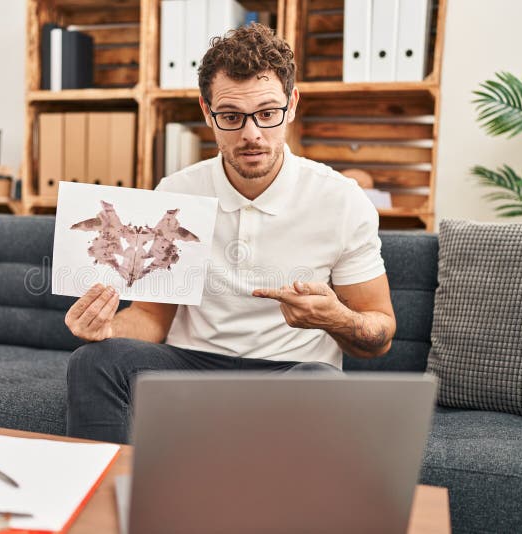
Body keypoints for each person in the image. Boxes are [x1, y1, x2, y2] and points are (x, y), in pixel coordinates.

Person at [64, 23, 396, 444]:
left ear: (291, 105)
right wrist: (104, 327)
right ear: (207, 111)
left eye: (267, 113)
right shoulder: (177, 193)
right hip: (190, 365)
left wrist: (338, 319)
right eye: (232, 117)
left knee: (322, 383)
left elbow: (380, 334)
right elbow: (151, 318)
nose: (251, 134)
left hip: (290, 372)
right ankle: (103, 494)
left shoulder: (343, 202)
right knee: (93, 360)